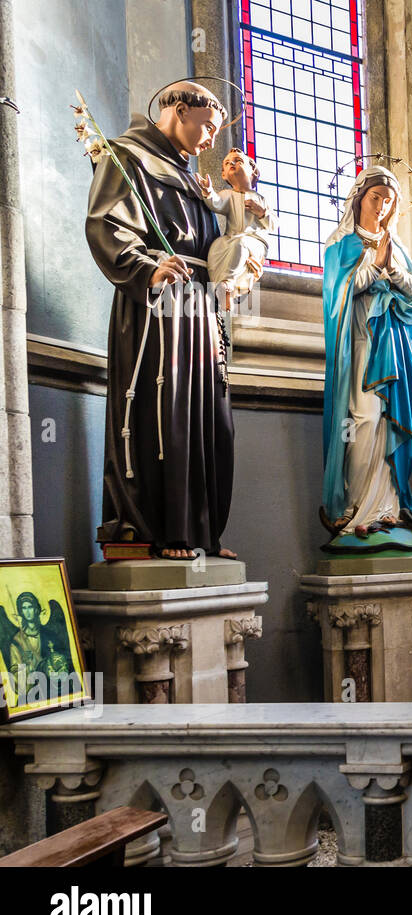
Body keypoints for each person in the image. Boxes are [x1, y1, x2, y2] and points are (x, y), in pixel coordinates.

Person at [85, 80, 245, 560]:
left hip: (199, 307)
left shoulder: (190, 178)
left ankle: (200, 530)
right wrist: (146, 268)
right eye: (209, 127)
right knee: (165, 411)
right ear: (179, 109)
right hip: (159, 304)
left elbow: (213, 245)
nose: (212, 141)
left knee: (209, 417)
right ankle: (160, 530)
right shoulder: (126, 157)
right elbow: (105, 224)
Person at [320, 166, 412, 543]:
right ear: (359, 198)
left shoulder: (396, 247)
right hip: (359, 347)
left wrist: (393, 272)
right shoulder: (341, 245)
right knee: (363, 420)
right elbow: (339, 294)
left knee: (387, 423)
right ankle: (355, 510)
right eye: (375, 197)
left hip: (392, 351)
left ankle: (388, 510)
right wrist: (374, 267)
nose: (382, 206)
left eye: (389, 200)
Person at [200, 148, 276, 311]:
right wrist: (208, 192)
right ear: (224, 175)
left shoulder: (260, 199)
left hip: (256, 243)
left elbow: (274, 225)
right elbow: (216, 203)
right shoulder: (228, 194)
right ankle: (222, 290)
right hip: (232, 238)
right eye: (227, 163)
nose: (232, 164)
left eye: (238, 161)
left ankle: (227, 284)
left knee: (240, 245)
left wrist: (262, 212)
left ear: (252, 172)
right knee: (217, 246)